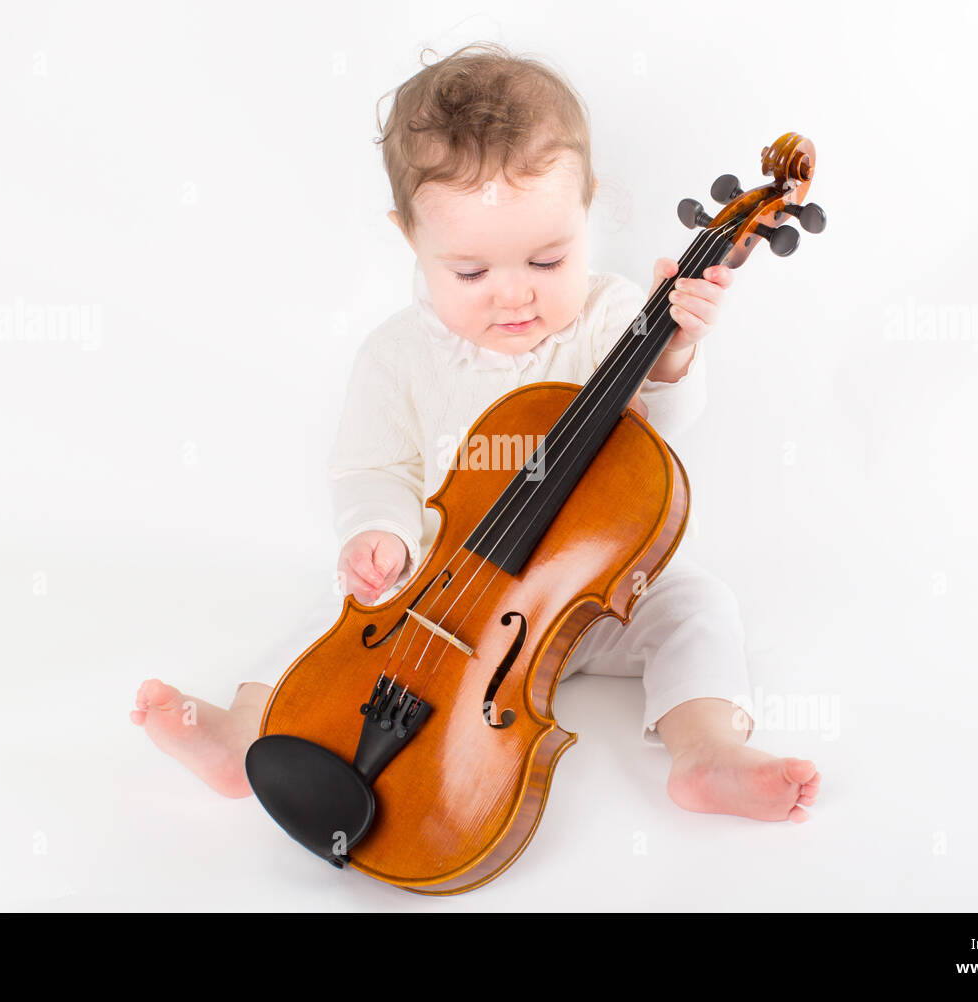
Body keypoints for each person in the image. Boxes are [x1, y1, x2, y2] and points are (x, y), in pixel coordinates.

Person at [131, 42, 820, 823]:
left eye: (548, 257)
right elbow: (372, 468)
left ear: (586, 207)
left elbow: (654, 444)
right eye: (470, 274)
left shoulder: (611, 317)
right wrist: (378, 533)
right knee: (329, 625)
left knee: (700, 606)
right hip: (442, 605)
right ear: (409, 238)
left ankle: (707, 752)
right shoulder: (398, 354)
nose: (515, 294)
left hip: (589, 598)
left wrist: (671, 354)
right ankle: (242, 730)